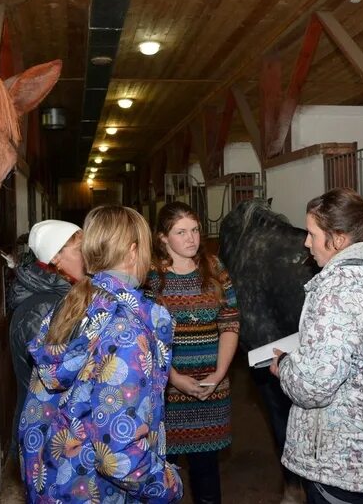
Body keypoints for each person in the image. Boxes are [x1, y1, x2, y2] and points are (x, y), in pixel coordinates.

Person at [17, 205, 183, 503]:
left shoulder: (70, 306)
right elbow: (120, 459)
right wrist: (168, 485)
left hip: (58, 482)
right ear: (133, 252)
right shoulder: (127, 332)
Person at [269, 187, 363, 504]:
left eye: (312, 234)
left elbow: (313, 386)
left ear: (340, 239)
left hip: (338, 462)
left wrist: (287, 367)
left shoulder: (336, 293)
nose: (306, 243)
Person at [146, 201, 240, 504]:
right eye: (181, 232)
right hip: (166, 393)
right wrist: (174, 378)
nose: (192, 238)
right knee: (163, 473)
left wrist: (219, 373)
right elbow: (145, 336)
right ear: (163, 238)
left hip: (211, 388)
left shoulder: (214, 268)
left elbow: (229, 322)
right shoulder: (151, 276)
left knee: (207, 473)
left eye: (196, 230)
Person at [6, 220, 86, 459]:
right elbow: (56, 377)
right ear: (55, 259)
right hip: (47, 434)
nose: (90, 255)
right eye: (80, 249)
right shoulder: (43, 308)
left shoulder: (65, 297)